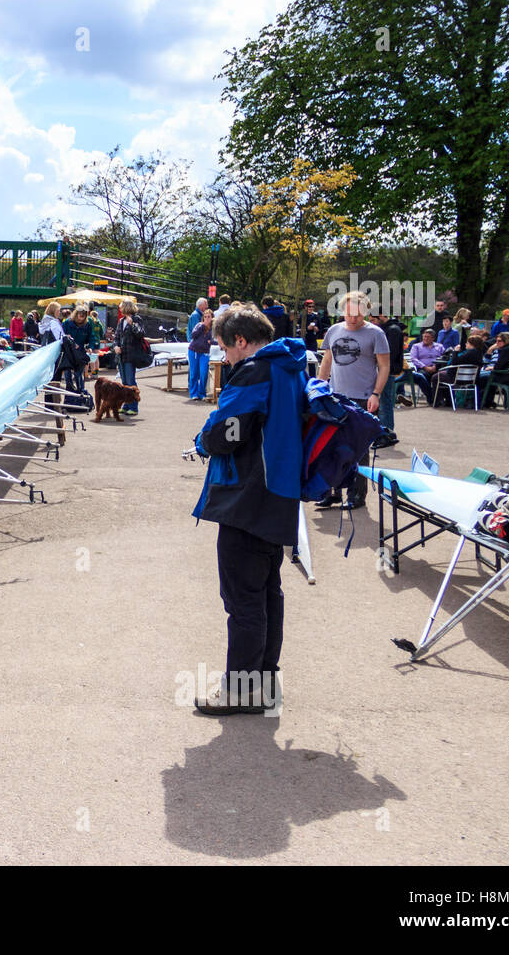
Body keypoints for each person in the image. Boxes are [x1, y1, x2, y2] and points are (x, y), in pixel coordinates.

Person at [190, 304, 306, 715]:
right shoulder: (290, 366)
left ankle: (241, 691)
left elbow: (230, 431)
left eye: (223, 347)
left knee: (243, 601)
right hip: (277, 494)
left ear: (241, 341)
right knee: (265, 595)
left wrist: (205, 439)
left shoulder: (256, 369)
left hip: (248, 496)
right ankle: (263, 684)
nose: (223, 356)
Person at [317, 290, 389, 509]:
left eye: (358, 314)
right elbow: (327, 361)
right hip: (335, 395)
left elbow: (384, 366)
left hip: (363, 398)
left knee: (358, 449)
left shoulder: (375, 333)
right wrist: (319, 388)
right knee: (331, 445)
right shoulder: (333, 330)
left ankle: (356, 495)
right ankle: (334, 491)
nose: (353, 318)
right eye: (349, 314)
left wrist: (376, 394)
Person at [370, 311, 404, 445]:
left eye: (374, 320)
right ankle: (384, 431)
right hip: (385, 369)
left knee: (385, 403)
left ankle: (387, 433)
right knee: (383, 402)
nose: (372, 323)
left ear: (382, 316)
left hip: (388, 371)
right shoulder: (387, 329)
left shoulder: (393, 330)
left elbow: (390, 353)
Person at [113, 299, 149, 414]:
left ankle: (134, 407)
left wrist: (132, 324)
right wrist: (115, 346)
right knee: (124, 382)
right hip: (121, 356)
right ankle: (126, 404)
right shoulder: (121, 321)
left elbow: (141, 333)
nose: (120, 309)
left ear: (127, 307)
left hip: (131, 355)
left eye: (121, 307)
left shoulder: (136, 319)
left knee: (130, 381)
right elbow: (116, 337)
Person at [480, 332, 509, 404]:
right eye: (496, 341)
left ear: (506, 341)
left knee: (480, 377)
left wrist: (492, 368)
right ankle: (487, 401)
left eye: (499, 341)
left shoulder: (506, 350)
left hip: (507, 377)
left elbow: (498, 367)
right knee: (485, 376)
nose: (497, 343)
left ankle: (483, 401)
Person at [407, 329, 446, 405]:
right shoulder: (416, 346)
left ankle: (438, 398)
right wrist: (425, 367)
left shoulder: (439, 346)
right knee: (421, 377)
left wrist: (436, 366)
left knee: (442, 376)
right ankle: (432, 398)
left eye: (428, 337)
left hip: (437, 368)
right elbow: (413, 358)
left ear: (433, 338)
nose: (425, 338)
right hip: (423, 368)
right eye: (424, 337)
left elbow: (444, 357)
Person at [187, 307, 214, 401]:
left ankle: (202, 393)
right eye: (205, 317)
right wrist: (203, 326)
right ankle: (193, 393)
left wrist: (212, 342)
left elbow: (217, 340)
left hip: (205, 352)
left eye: (209, 317)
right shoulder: (199, 325)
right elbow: (193, 335)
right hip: (194, 351)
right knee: (194, 373)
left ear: (212, 318)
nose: (207, 318)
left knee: (203, 372)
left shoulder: (213, 329)